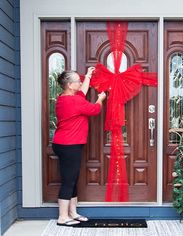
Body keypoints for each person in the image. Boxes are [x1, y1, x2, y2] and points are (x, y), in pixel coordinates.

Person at [52, 67, 106, 226]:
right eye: (77, 81)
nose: (80, 82)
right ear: (69, 84)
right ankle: (62, 217)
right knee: (68, 181)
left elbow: (82, 93)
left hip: (64, 143)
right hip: (69, 145)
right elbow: (95, 109)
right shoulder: (74, 101)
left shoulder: (63, 98)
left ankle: (72, 212)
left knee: (72, 179)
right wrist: (100, 99)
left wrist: (89, 76)